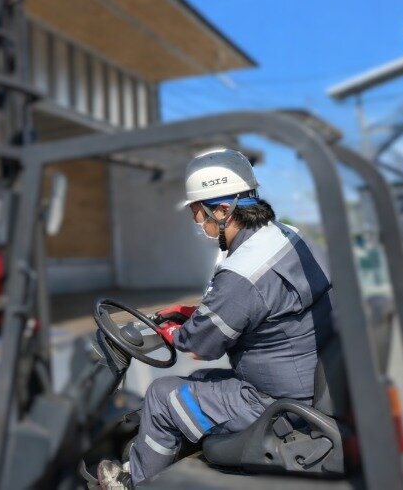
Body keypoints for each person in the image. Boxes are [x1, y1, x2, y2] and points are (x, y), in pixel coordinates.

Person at [97, 149, 334, 489]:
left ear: (223, 210)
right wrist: (194, 314)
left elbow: (201, 345)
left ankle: (135, 481)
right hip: (306, 380)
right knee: (201, 379)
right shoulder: (289, 237)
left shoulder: (242, 272)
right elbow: (265, 306)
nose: (198, 222)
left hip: (276, 403)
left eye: (198, 212)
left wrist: (173, 330)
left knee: (162, 395)